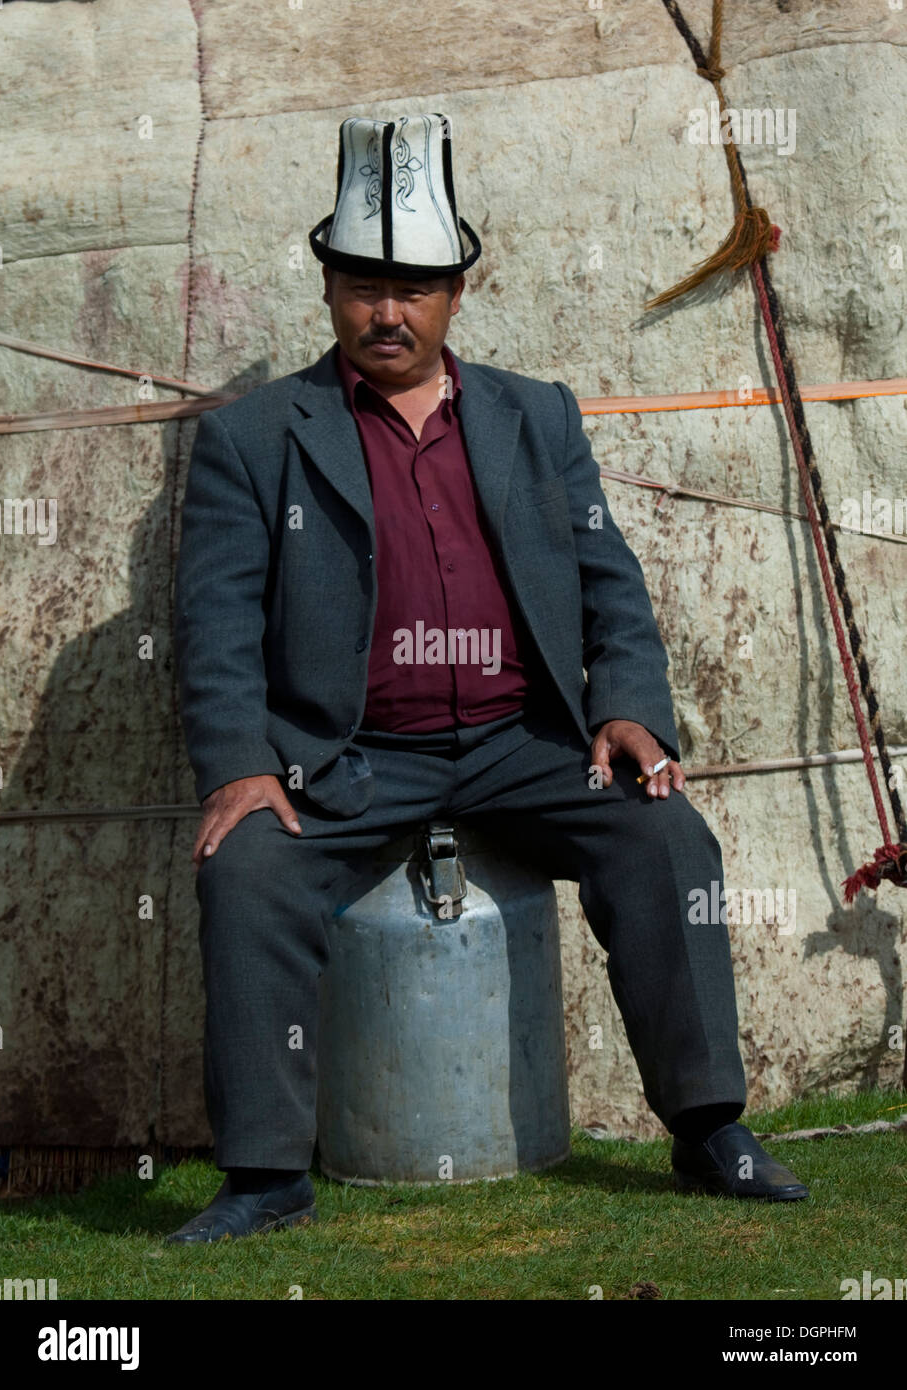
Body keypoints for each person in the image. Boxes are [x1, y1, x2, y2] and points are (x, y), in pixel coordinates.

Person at [168, 113, 808, 1244]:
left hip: (528, 743)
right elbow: (214, 620)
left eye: (415, 289)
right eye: (365, 285)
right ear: (327, 285)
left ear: (460, 290)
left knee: (667, 840)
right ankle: (266, 1175)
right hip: (351, 757)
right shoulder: (256, 438)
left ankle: (710, 1126)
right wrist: (239, 764)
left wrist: (625, 708)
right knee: (248, 868)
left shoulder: (535, 415)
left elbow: (612, 579)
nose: (388, 312)